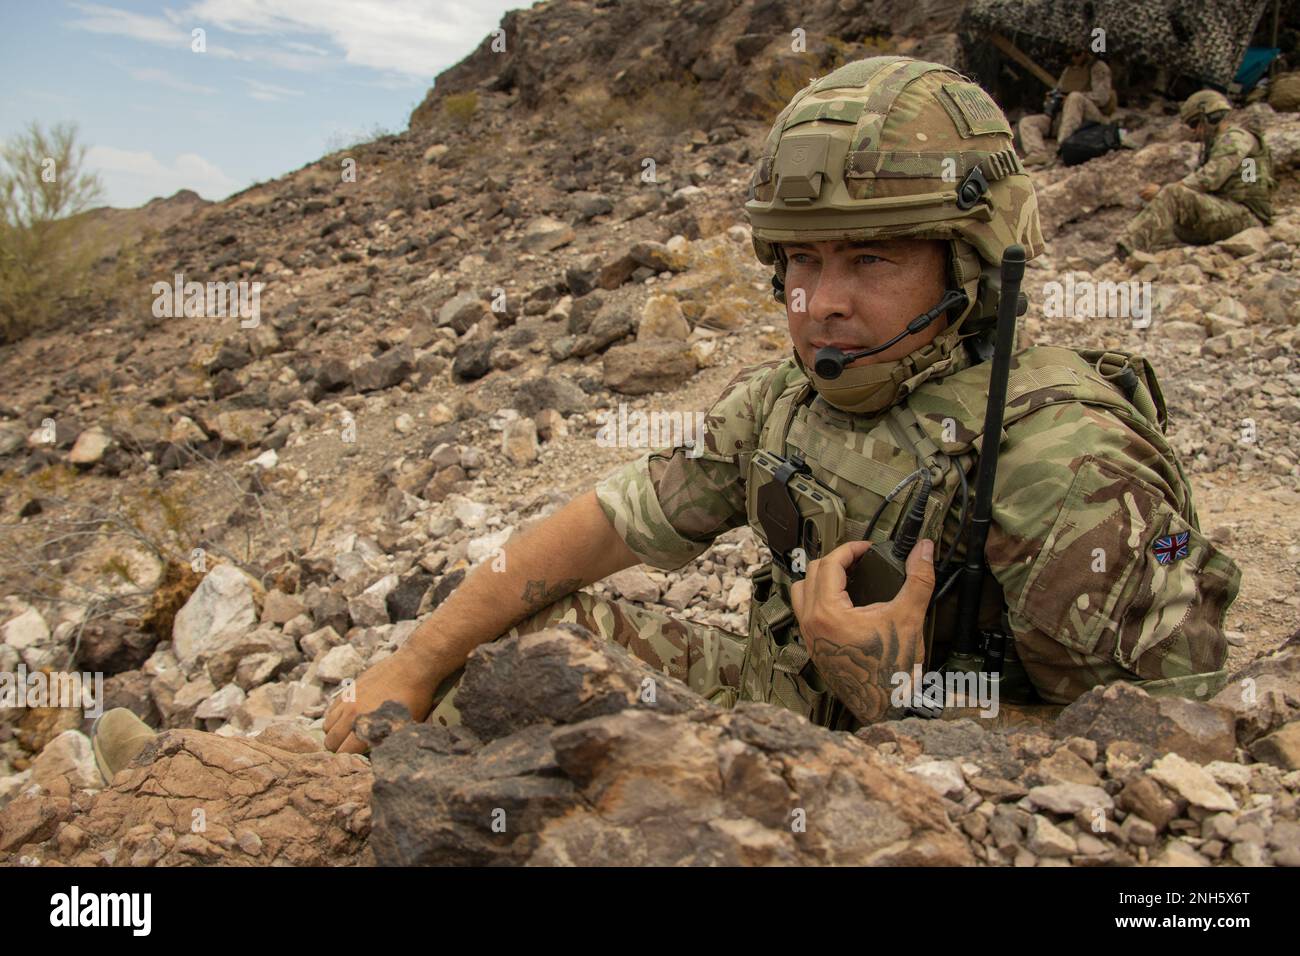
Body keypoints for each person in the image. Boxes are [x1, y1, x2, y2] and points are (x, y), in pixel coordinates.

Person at [95, 56, 1242, 774]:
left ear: (973, 263)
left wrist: (905, 703)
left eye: (871, 259)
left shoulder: (1065, 467)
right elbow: (602, 519)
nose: (820, 301)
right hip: (783, 704)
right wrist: (415, 658)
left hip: (948, 774)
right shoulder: (788, 398)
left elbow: (1162, 764)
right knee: (523, 655)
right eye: (800, 262)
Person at [1116, 89, 1276, 257]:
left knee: (1172, 194)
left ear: (1211, 117)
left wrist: (1163, 191)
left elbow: (1210, 178)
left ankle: (1126, 250)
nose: (1194, 131)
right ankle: (1136, 249)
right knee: (1163, 218)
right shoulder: (1221, 142)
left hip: (1246, 215)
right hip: (1232, 211)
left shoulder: (1235, 138)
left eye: (1194, 124)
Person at [1018, 49, 1116, 167]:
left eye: (1077, 54)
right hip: (1066, 115)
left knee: (1075, 98)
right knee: (1028, 122)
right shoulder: (1069, 70)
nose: (1074, 58)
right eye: (1070, 55)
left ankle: (1063, 147)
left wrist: (1071, 97)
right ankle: (1037, 153)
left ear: (1085, 52)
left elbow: (1102, 97)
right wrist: (1052, 99)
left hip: (1092, 117)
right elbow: (1059, 90)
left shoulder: (1098, 67)